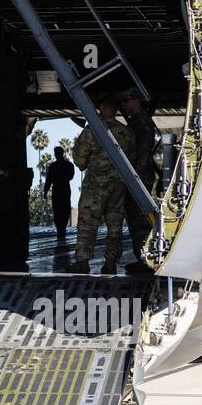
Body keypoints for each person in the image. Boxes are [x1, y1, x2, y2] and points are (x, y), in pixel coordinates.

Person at [71, 99, 135, 274]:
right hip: (118, 185)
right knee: (115, 226)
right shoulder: (127, 133)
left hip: (95, 186)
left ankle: (82, 262)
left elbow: (79, 159)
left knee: (87, 223)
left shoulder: (93, 130)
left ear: (102, 107)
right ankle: (110, 263)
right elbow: (132, 160)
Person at [120, 91, 158, 273]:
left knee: (139, 218)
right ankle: (143, 257)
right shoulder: (139, 121)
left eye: (126, 101)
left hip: (139, 175)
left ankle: (146, 259)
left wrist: (136, 178)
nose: (124, 105)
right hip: (139, 174)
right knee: (136, 217)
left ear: (136, 101)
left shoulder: (141, 123)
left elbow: (142, 151)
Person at [42, 146, 75, 242]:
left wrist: (46, 191)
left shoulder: (64, 165)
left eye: (57, 153)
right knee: (59, 210)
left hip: (62, 190)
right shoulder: (66, 165)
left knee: (63, 210)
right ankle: (60, 229)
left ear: (61, 153)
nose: (56, 155)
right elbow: (48, 180)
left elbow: (70, 176)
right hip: (60, 190)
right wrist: (45, 190)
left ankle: (62, 229)